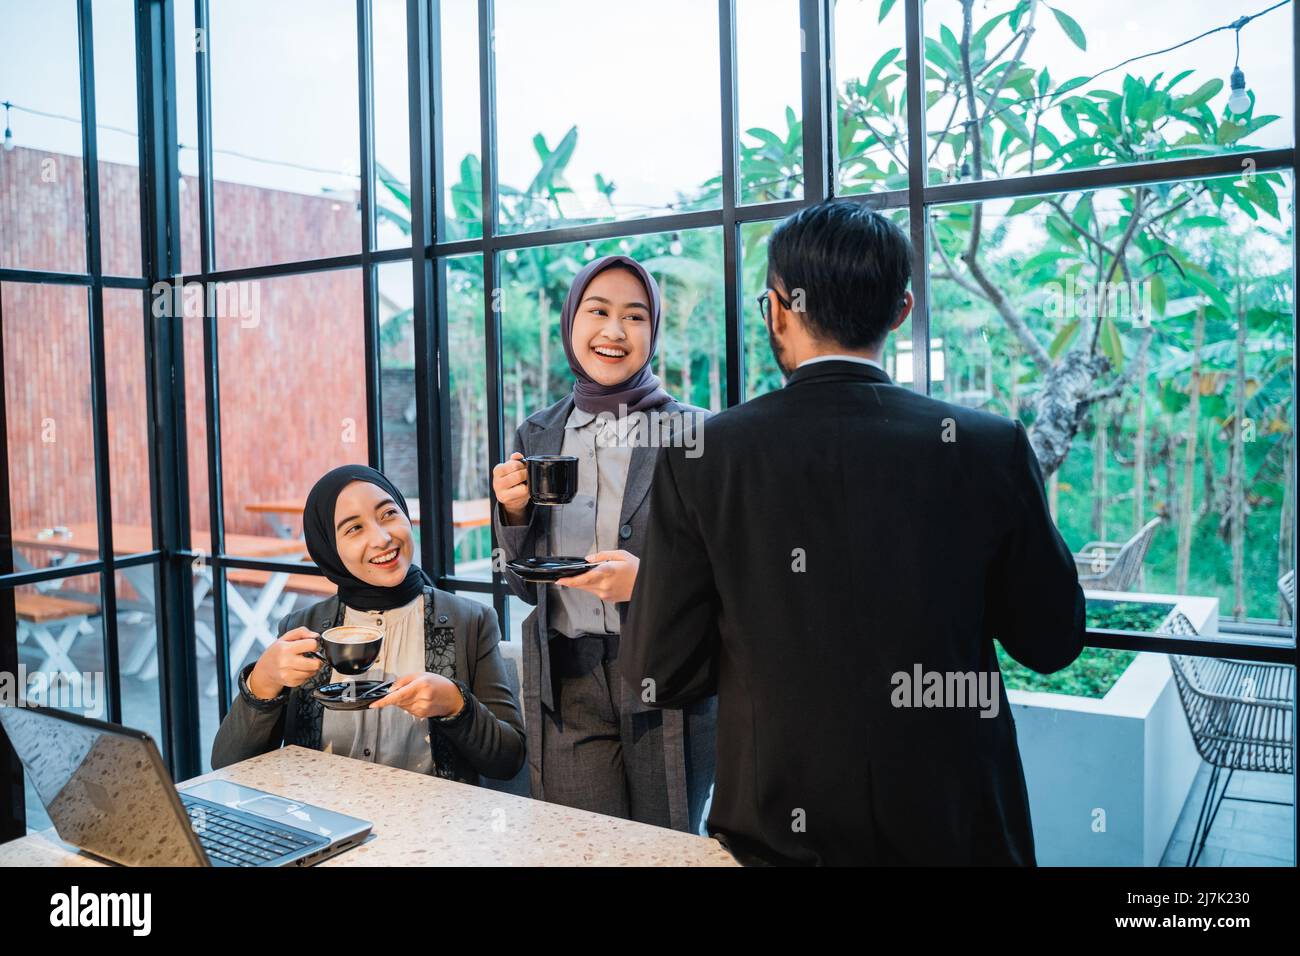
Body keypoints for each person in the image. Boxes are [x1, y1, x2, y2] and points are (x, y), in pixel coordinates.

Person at [620, 200, 1086, 865]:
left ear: (778, 309)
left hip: (778, 838)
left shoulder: (702, 453)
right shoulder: (990, 446)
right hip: (961, 832)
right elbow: (1052, 641)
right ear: (900, 311)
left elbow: (658, 672)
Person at [491, 254, 716, 833]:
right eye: (598, 311)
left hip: (667, 677)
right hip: (565, 677)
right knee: (580, 845)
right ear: (571, 322)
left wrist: (647, 584)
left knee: (662, 845)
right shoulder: (536, 432)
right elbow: (522, 584)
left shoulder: (697, 433)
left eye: (635, 317)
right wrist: (514, 512)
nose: (614, 332)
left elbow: (731, 576)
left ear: (654, 331)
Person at [211, 464, 525, 785]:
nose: (382, 538)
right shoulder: (303, 628)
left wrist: (457, 706)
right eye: (354, 529)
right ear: (328, 548)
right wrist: (262, 683)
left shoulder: (469, 621)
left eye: (388, 514)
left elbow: (508, 760)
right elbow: (227, 764)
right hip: (325, 820)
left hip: (433, 824)